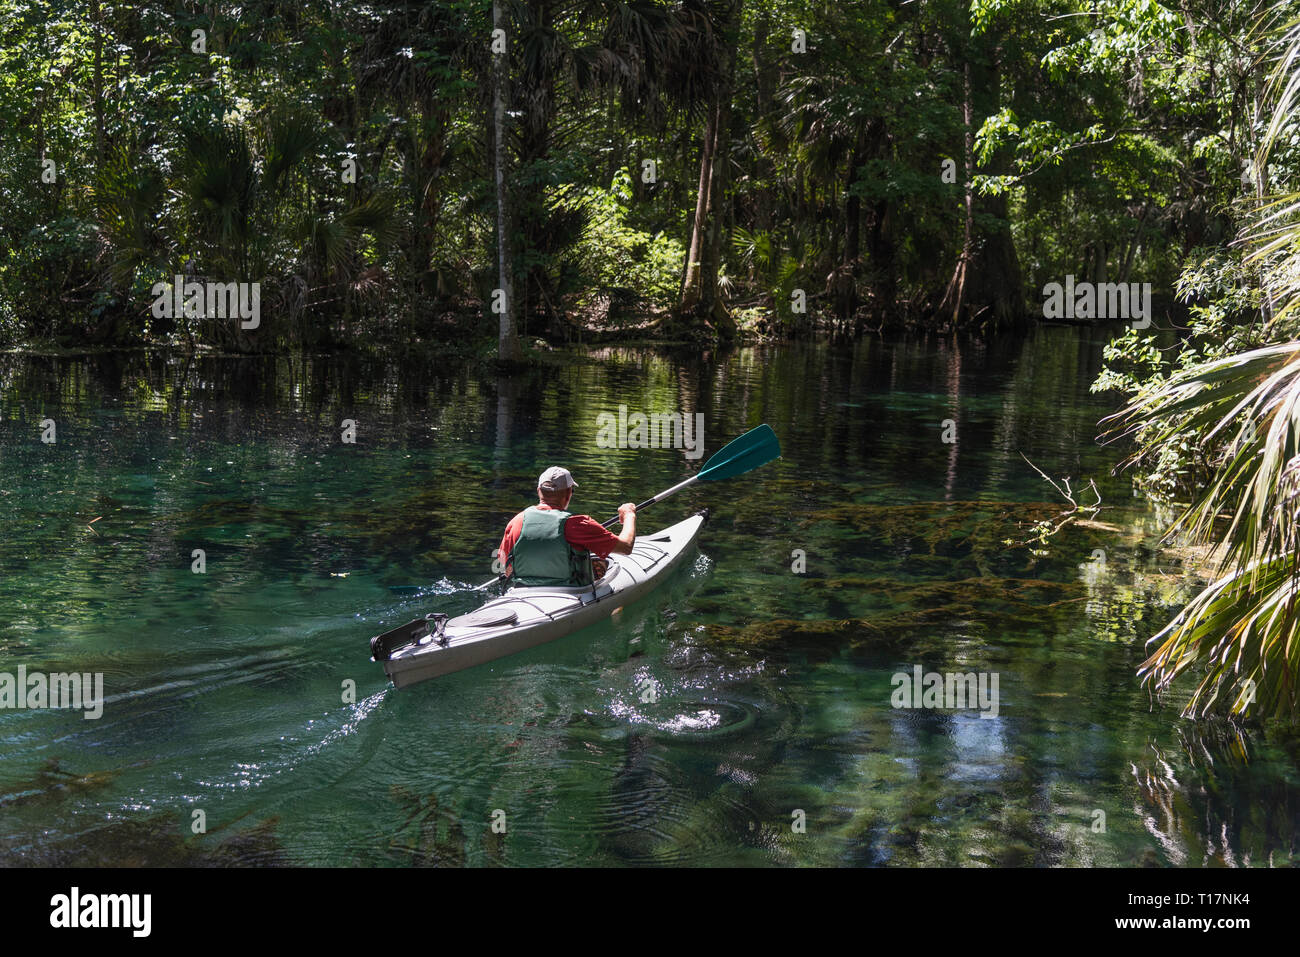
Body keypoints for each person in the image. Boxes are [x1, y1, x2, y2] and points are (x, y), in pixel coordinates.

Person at [498, 466, 636, 586]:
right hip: (572, 593)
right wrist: (629, 514)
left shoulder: (516, 521)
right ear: (568, 493)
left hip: (524, 592)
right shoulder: (578, 524)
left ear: (539, 490)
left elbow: (505, 564)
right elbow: (626, 546)